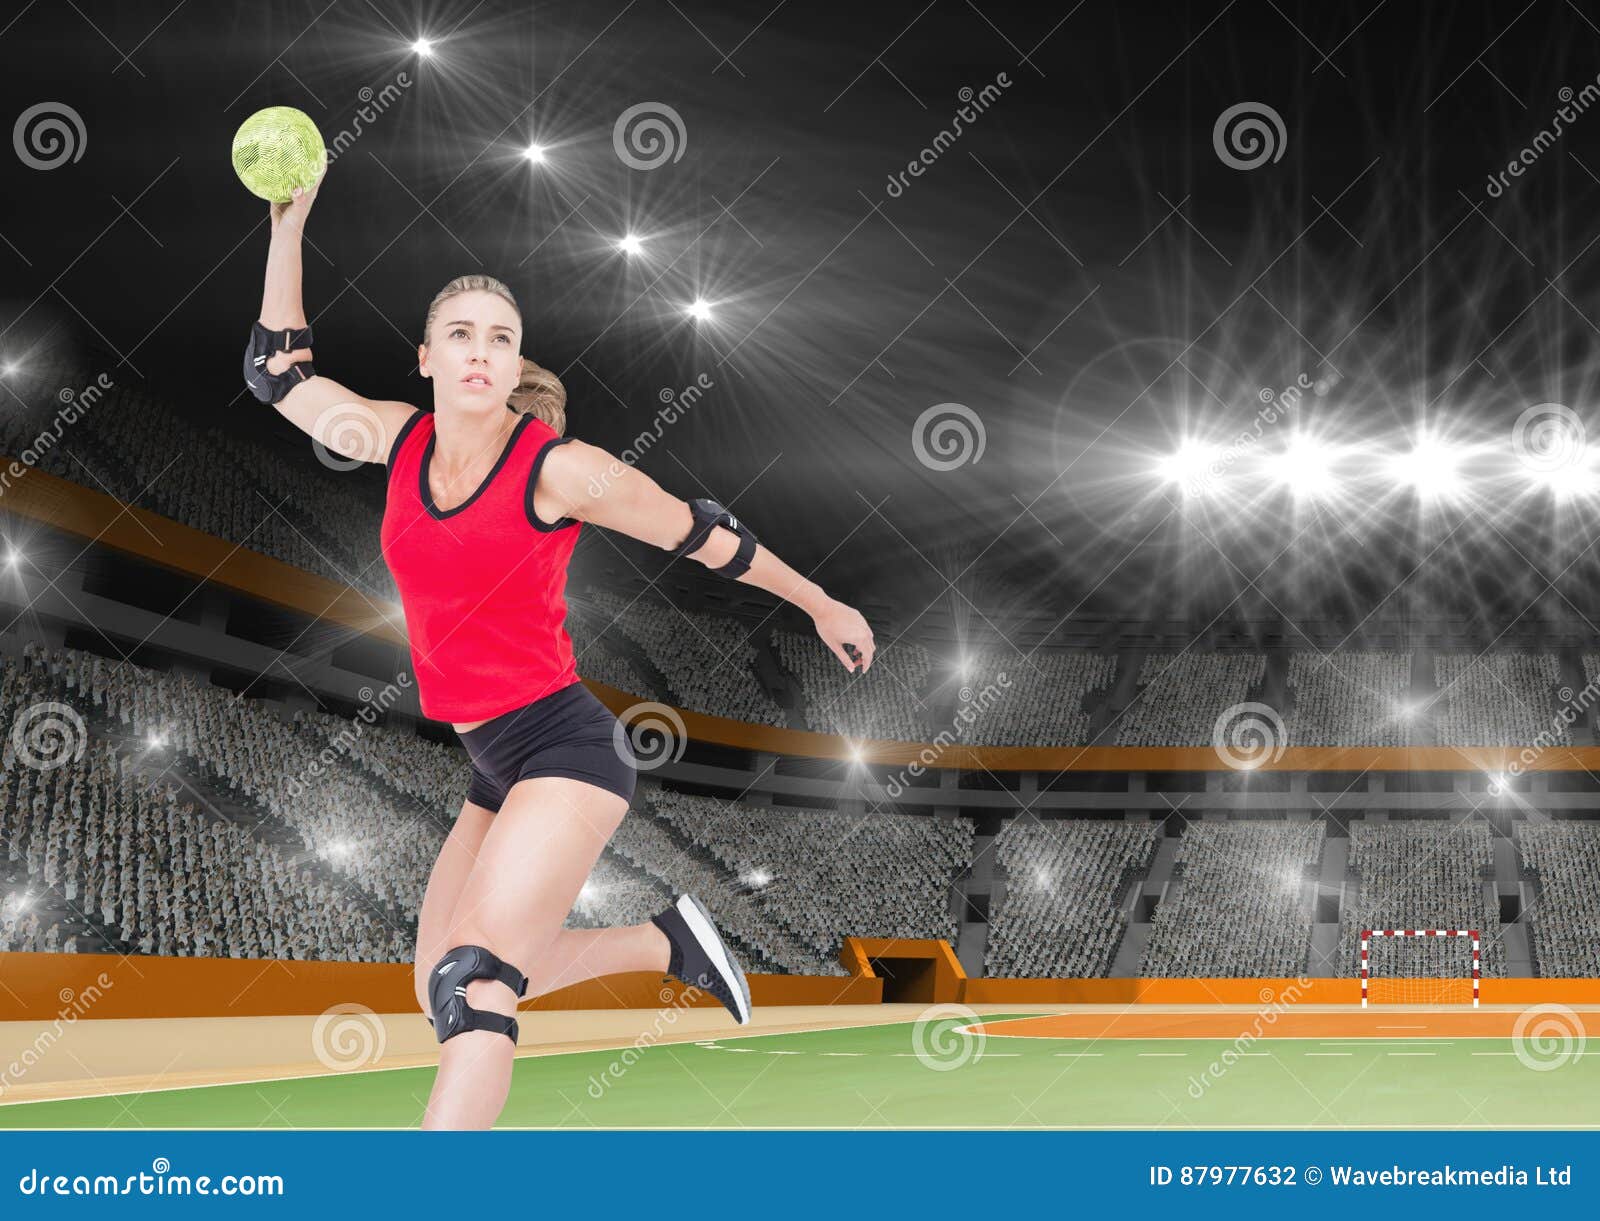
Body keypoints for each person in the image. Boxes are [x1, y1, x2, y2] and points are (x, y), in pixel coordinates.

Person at [244, 166, 876, 1129]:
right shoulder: (397, 442)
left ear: (514, 363)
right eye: (461, 334)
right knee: (436, 990)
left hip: (567, 749)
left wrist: (819, 599)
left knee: (477, 979)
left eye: (502, 338)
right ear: (425, 357)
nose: (482, 351)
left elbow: (705, 532)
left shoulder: (562, 470)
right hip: (489, 760)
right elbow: (277, 375)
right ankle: (663, 944)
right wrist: (290, 226)